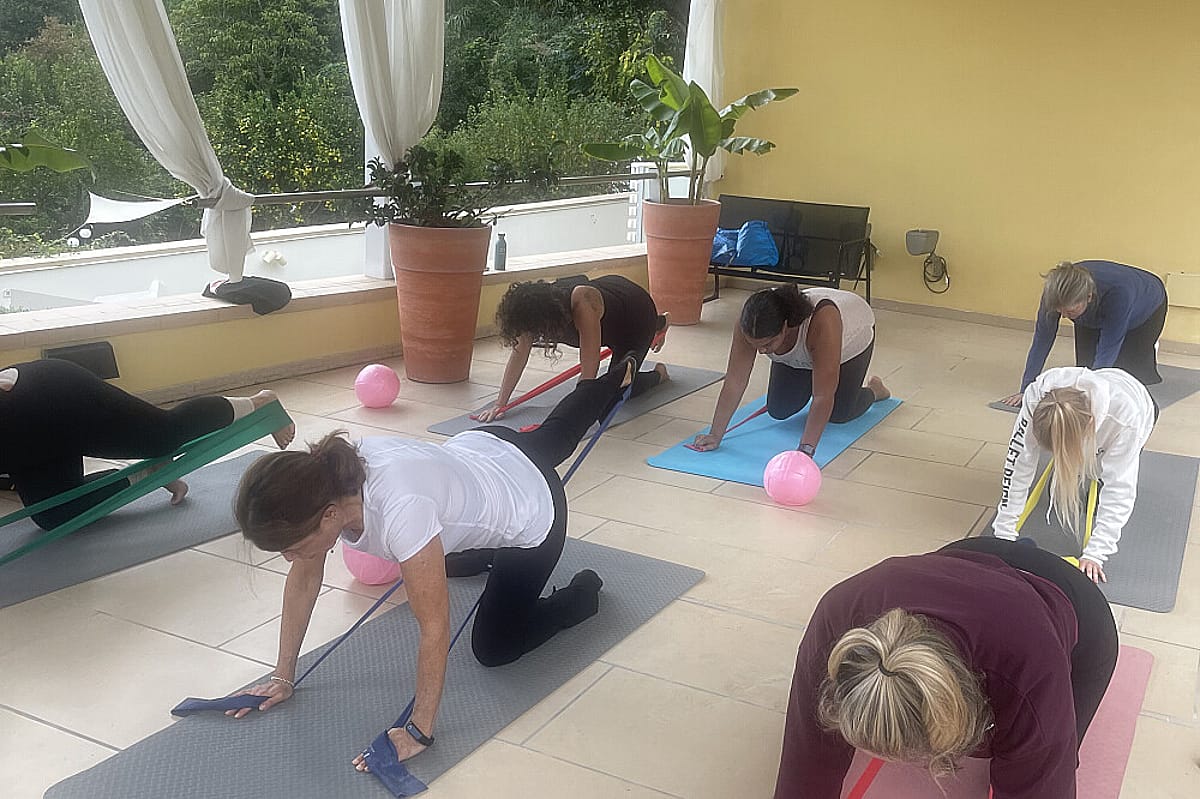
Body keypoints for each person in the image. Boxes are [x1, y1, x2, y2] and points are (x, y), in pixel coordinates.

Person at [226, 354, 640, 770]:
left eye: (292, 546)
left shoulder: (402, 511)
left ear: (330, 515)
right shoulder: (329, 478)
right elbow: (304, 575)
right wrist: (283, 675)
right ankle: (614, 378)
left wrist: (419, 730)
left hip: (532, 509)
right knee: (555, 434)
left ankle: (582, 595)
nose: (290, 557)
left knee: (495, 648)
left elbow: (434, 626)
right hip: (489, 446)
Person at [774, 537, 1118, 799]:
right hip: (964, 554)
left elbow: (1044, 786)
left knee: (1041, 753)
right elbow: (805, 757)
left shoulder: (1029, 666)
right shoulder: (839, 619)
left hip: (1077, 605)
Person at [0, 358, 294, 529]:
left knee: (162, 436)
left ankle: (258, 404)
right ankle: (146, 474)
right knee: (51, 514)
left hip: (51, 398)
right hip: (31, 441)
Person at [993, 365, 1156, 583]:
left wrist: (1096, 554)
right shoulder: (1035, 398)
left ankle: (1090, 469)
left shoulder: (1126, 420)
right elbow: (1018, 462)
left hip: (1141, 404)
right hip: (1097, 399)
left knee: (1102, 480)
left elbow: (1120, 488)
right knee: (1065, 479)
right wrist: (1004, 534)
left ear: (1090, 426)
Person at [691, 284, 889, 457]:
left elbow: (822, 396)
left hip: (851, 339)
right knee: (779, 410)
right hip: (805, 353)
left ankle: (875, 390)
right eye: (755, 345)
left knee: (838, 413)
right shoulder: (750, 322)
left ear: (785, 327)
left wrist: (805, 450)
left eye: (768, 344)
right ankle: (810, 377)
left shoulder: (821, 323)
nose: (760, 352)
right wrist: (716, 434)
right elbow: (735, 381)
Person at [475, 274, 669, 422]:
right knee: (604, 391)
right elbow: (519, 354)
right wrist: (501, 403)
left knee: (617, 393)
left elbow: (589, 363)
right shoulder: (530, 312)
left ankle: (659, 371)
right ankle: (660, 323)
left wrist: (578, 409)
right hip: (612, 308)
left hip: (635, 317)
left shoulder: (581, 303)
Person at [1000, 260, 1168, 407]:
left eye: (1070, 311)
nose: (1064, 316)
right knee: (1085, 370)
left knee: (1127, 376)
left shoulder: (1119, 294)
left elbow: (1109, 346)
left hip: (1147, 306)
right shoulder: (1054, 294)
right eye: (1061, 311)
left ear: (1088, 297)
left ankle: (1149, 348)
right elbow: (1042, 339)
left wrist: (1093, 399)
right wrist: (1027, 389)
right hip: (1093, 311)